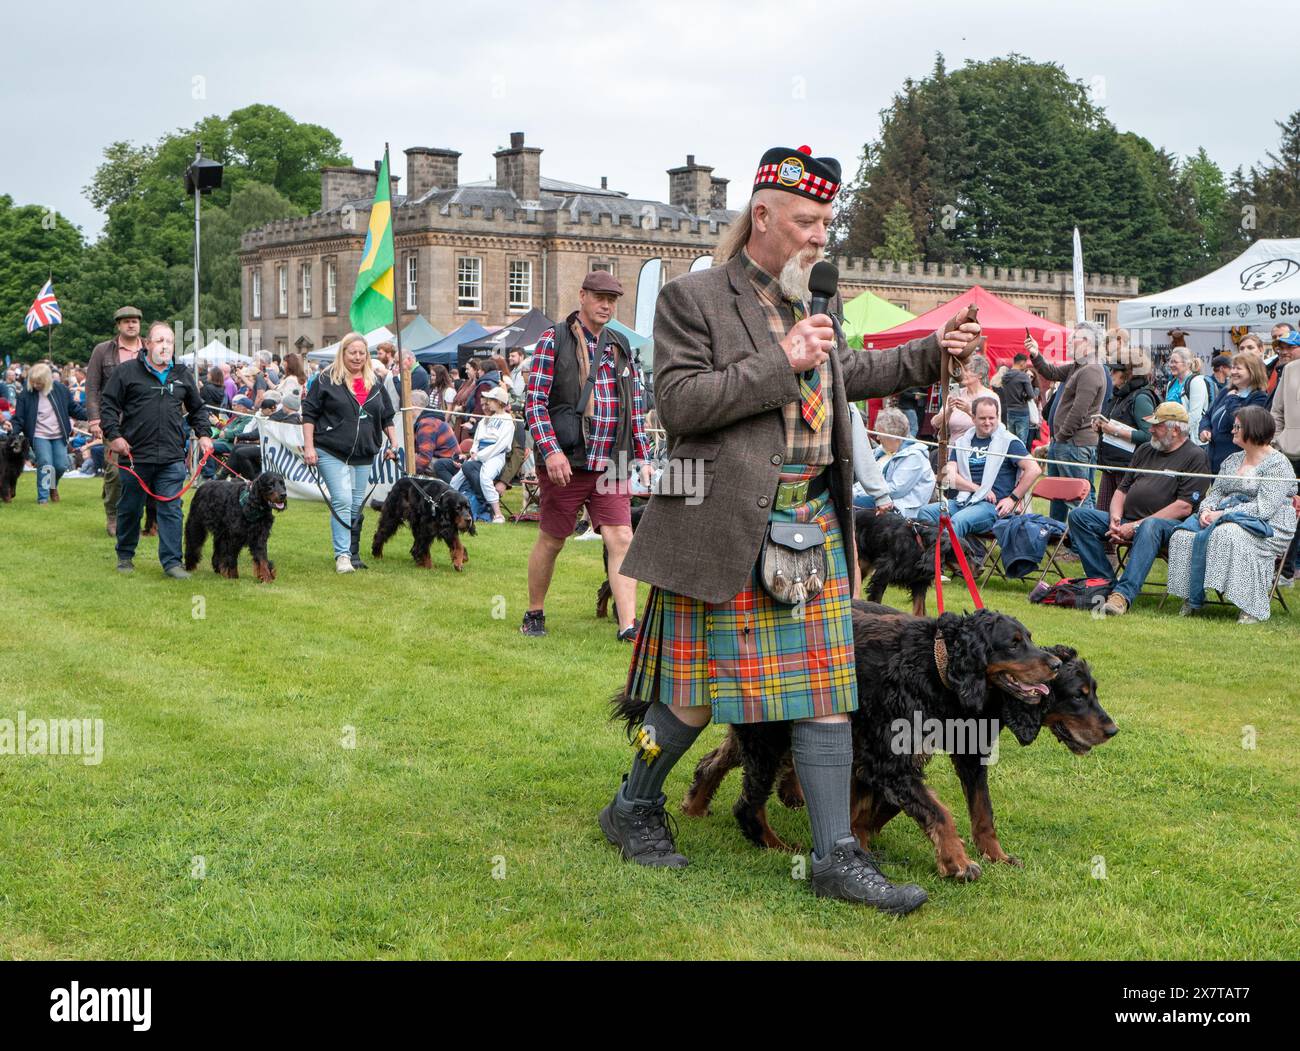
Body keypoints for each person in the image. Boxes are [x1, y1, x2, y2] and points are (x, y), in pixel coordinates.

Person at [603, 143, 982, 913]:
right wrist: (780, 357)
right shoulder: (694, 298)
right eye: (808, 221)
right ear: (763, 214)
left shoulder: (817, 301)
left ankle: (836, 853)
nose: (820, 237)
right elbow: (680, 404)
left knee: (824, 694)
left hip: (809, 527)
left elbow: (849, 374)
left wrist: (926, 356)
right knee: (690, 699)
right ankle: (634, 805)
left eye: (827, 223)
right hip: (722, 527)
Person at [522, 270, 653, 641]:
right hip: (568, 460)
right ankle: (535, 612)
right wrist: (551, 453)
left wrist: (642, 456)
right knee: (552, 539)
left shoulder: (621, 345)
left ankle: (628, 625)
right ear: (582, 296)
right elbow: (534, 404)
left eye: (612, 299)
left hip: (612, 462)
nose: (607, 305)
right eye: (599, 297)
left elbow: (634, 405)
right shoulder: (554, 339)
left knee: (622, 537)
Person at [1067, 402, 1210, 616]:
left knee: (1150, 526)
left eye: (1156, 426)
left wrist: (1135, 526)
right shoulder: (1145, 449)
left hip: (1170, 528)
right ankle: (1105, 583)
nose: (1150, 430)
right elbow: (1122, 489)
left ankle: (1122, 596)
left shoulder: (1195, 456)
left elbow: (1184, 506)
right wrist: (1115, 518)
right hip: (1129, 521)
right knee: (1079, 516)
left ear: (1176, 430)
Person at [99, 321, 212, 577]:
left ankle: (172, 563)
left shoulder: (182, 374)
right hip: (134, 456)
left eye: (169, 341)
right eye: (159, 341)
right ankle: (125, 556)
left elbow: (198, 408)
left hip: (171, 457)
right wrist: (114, 436)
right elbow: (107, 405)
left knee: (171, 509)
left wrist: (204, 434)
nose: (165, 346)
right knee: (130, 508)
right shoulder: (127, 372)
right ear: (147, 344)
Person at [1166, 407, 1297, 623]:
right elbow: (1215, 492)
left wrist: (1222, 515)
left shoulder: (1278, 465)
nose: (1232, 431)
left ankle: (1250, 605)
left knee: (1228, 533)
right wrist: (1207, 510)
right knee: (1183, 536)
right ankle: (1192, 598)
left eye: (1237, 427)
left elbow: (1264, 508)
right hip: (1225, 516)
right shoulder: (1233, 460)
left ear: (1253, 430)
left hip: (1268, 525)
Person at [301, 332, 399, 573]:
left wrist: (394, 445)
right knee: (343, 500)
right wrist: (310, 446)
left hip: (364, 452)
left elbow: (386, 416)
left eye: (361, 353)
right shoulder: (325, 379)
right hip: (330, 449)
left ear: (367, 356)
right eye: (352, 352)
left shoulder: (374, 382)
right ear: (342, 353)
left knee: (356, 505)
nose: (357, 357)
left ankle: (353, 553)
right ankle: (342, 556)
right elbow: (309, 414)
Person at [916, 396, 1040, 538]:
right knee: (925, 512)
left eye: (991, 418)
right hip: (964, 500)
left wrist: (1012, 499)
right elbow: (948, 476)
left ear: (997, 417)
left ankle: (942, 557)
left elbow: (1034, 469)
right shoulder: (962, 442)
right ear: (973, 418)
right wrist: (979, 489)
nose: (987, 423)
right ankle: (934, 554)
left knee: (958, 521)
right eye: (982, 418)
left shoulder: (1009, 441)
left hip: (991, 506)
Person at [1026, 324, 1107, 522]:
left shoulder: (1090, 370)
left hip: (1073, 444)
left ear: (1087, 343)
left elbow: (1079, 412)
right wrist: (1036, 354)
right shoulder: (1079, 367)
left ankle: (1085, 543)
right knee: (1060, 495)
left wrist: (1061, 437)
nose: (1069, 342)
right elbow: (1051, 372)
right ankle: (1056, 532)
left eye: (1075, 338)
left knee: (1078, 496)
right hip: (1068, 443)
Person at [85, 305, 146, 537]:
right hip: (112, 422)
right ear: (118, 325)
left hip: (143, 423)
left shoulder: (150, 350)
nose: (131, 324)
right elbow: (92, 387)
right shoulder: (103, 351)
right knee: (114, 473)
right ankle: (113, 516)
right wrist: (94, 419)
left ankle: (132, 519)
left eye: (135, 321)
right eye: (126, 321)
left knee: (139, 473)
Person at [1093, 348, 1158, 514]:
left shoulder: (1141, 398)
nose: (1111, 372)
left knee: (1122, 518)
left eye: (1116, 370)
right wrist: (1101, 428)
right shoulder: (1119, 395)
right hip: (1112, 466)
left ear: (1129, 373)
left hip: (1128, 471)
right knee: (1102, 515)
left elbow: (1151, 435)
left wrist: (1115, 431)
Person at [12, 362, 85, 504]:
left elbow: (74, 409)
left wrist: (93, 416)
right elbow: (18, 418)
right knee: (45, 463)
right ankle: (43, 498)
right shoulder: (25, 394)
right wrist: (14, 433)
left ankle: (52, 486)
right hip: (39, 435)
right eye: (33, 382)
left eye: (39, 383)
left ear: (47, 381)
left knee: (61, 465)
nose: (35, 385)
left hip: (59, 435)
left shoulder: (61, 390)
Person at [450, 386, 515, 524]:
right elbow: (477, 440)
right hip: (479, 455)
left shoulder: (507, 420)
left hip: (496, 457)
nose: (488, 403)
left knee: (485, 477)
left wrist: (479, 456)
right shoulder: (485, 419)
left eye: (491, 400)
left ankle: (497, 514)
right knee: (456, 479)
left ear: (499, 402)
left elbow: (500, 445)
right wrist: (474, 451)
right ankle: (446, 507)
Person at [1199, 351, 1269, 472]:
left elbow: (1242, 423)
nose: (1233, 372)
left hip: (1237, 464)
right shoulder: (1225, 391)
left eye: (1239, 368)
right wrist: (1205, 429)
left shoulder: (1259, 397)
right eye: (1233, 367)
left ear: (1253, 371)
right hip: (1213, 459)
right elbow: (1208, 416)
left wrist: (1232, 400)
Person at [858, 406, 934, 517]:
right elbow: (868, 475)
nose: (877, 438)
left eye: (880, 433)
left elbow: (895, 490)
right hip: (881, 499)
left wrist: (858, 494)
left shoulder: (914, 456)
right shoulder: (883, 450)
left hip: (901, 508)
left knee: (852, 506)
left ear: (894, 437)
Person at [1269, 335, 1300, 587]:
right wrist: (1279, 441)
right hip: (1289, 453)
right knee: (1288, 510)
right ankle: (1286, 571)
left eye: (1291, 346)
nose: (1285, 351)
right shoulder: (1289, 371)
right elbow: (1276, 411)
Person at [929, 352, 995, 443]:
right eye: (962, 369)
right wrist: (949, 411)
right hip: (954, 451)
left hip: (978, 451)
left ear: (979, 375)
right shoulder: (955, 394)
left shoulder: (990, 397)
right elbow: (935, 423)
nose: (962, 373)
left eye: (967, 370)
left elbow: (994, 428)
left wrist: (969, 410)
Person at [1164, 347, 1213, 444]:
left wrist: (1178, 435)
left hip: (1190, 440)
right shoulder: (1171, 384)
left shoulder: (1196, 382)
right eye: (1170, 362)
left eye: (1175, 362)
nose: (1171, 365)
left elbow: (1194, 415)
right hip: (1173, 438)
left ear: (1187, 364)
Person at [411, 389, 462, 479]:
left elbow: (425, 458)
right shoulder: (429, 419)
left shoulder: (427, 424)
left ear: (413, 405)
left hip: (448, 465)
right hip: (447, 461)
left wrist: (410, 474)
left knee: (411, 458)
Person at [998, 352, 1037, 445]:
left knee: (1010, 441)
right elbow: (1031, 395)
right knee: (1021, 443)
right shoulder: (1023, 376)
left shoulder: (1005, 377)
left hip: (1010, 411)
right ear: (1022, 363)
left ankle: (1010, 459)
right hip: (1022, 412)